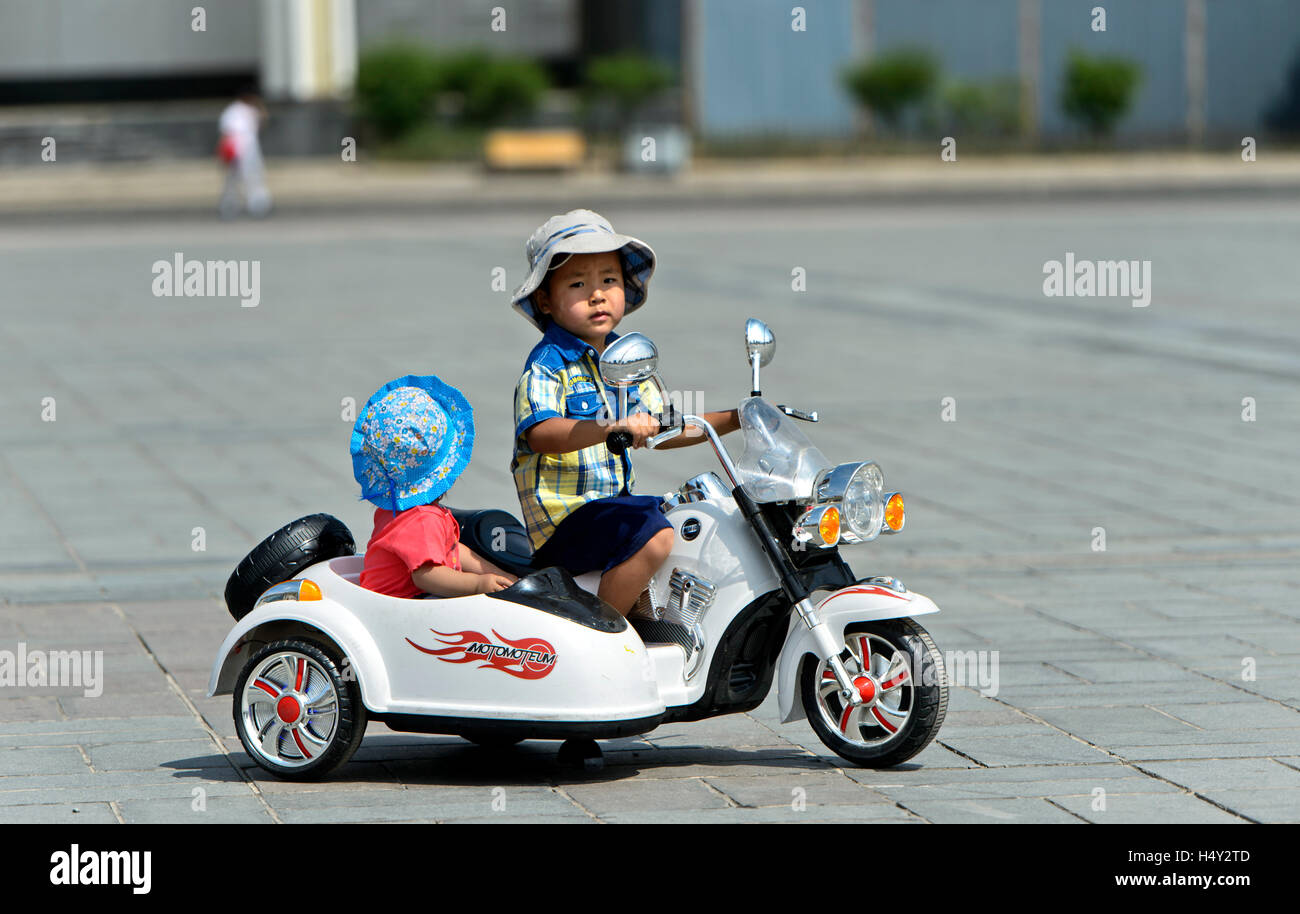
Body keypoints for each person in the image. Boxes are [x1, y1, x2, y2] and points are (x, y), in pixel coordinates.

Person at [510, 209, 740, 616]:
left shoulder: (627, 359)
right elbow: (541, 432)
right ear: (545, 299)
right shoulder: (548, 363)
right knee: (652, 532)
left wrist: (738, 418)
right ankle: (601, 628)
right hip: (566, 523)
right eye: (578, 284)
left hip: (610, 510)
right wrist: (608, 426)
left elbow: (665, 428)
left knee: (689, 517)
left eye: (609, 281)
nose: (597, 294)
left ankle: (664, 620)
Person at [352, 375, 516, 599]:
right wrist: (479, 584)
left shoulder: (399, 508)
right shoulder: (422, 518)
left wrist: (501, 576)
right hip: (402, 607)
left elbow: (453, 550)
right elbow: (427, 576)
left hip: (391, 602)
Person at [217, 89, 272, 218]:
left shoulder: (250, 110)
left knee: (253, 175)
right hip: (235, 145)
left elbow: (263, 120)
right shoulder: (232, 110)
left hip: (249, 146)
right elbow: (227, 131)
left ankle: (258, 204)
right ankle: (229, 206)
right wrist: (225, 150)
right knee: (233, 178)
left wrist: (260, 106)